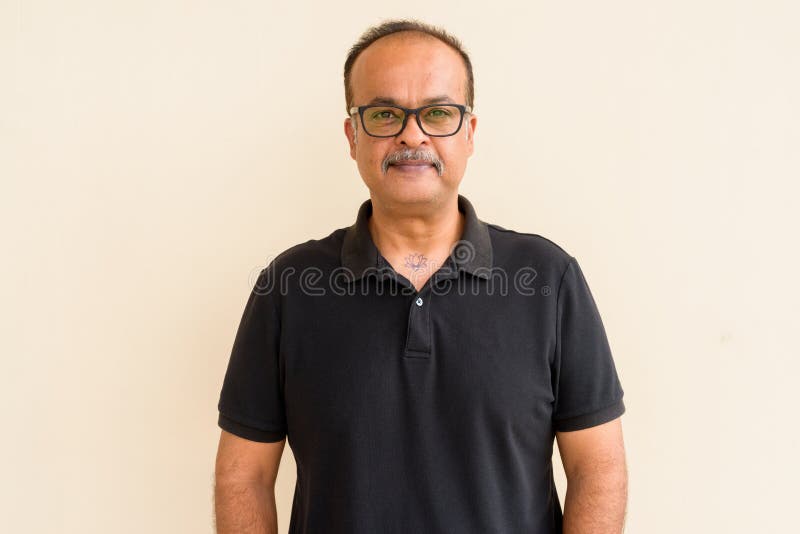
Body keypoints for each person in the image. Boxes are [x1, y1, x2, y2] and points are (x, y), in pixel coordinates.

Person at [214, 19, 628, 534]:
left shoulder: (549, 280)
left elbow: (598, 467)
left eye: (437, 113)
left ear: (469, 133)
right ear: (353, 135)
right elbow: (244, 475)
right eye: (385, 113)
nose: (412, 134)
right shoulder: (287, 287)